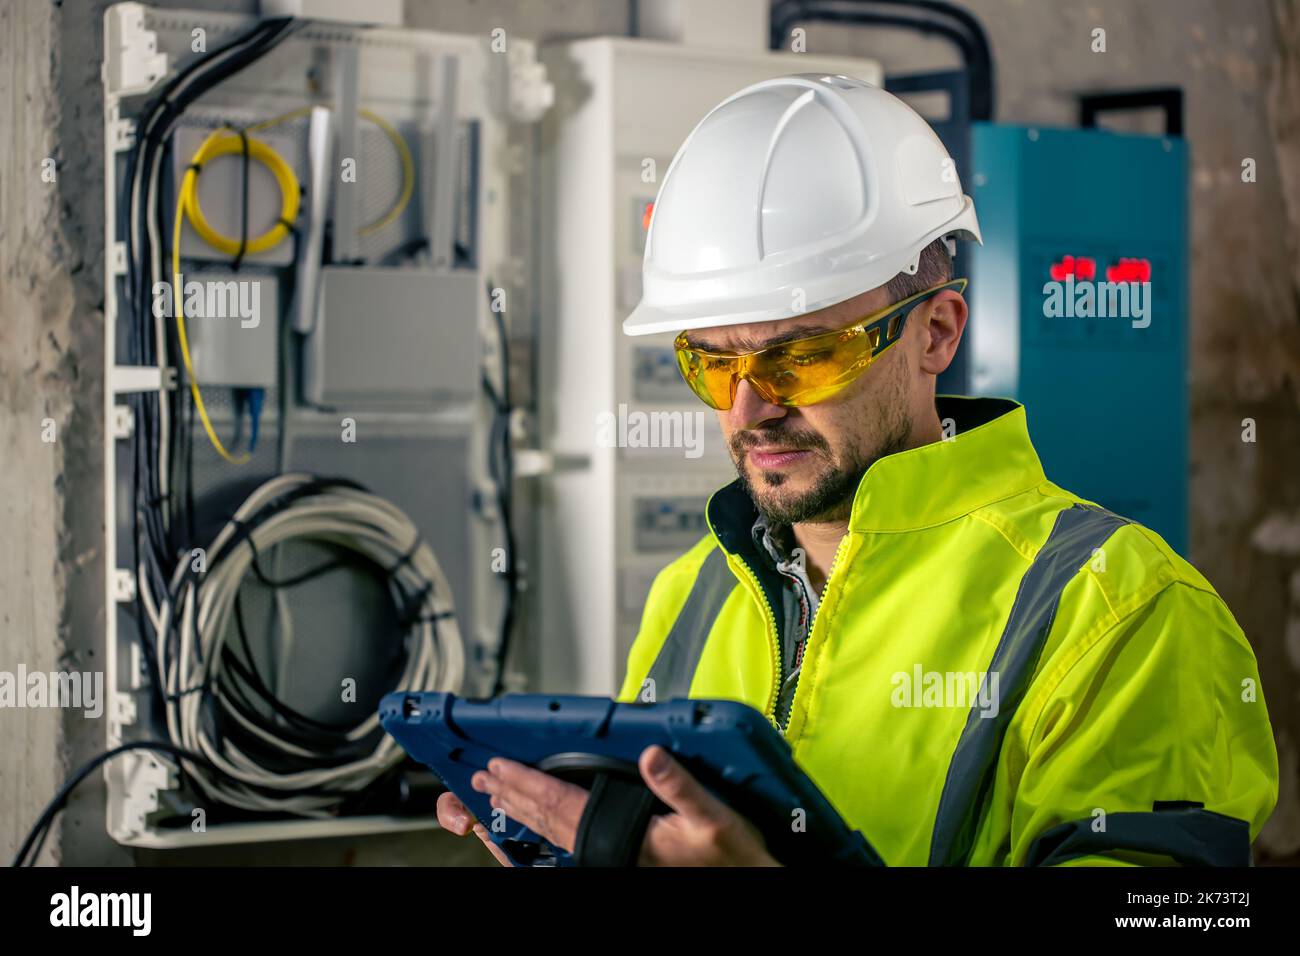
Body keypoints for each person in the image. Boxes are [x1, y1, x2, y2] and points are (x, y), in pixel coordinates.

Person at [438, 74, 1278, 866]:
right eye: (713, 365)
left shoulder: (1121, 610)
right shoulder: (694, 592)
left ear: (936, 333)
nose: (747, 411)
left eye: (799, 358)